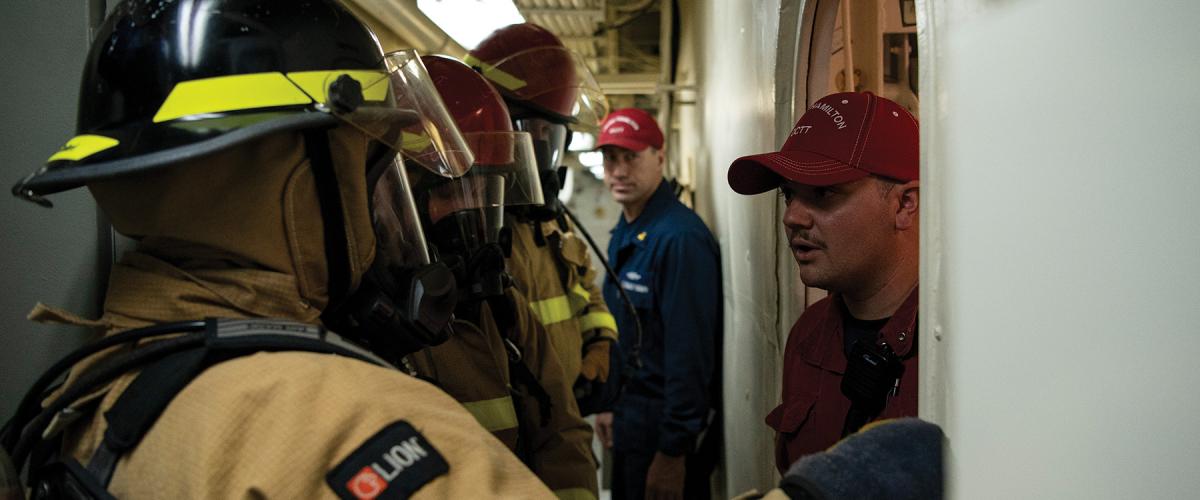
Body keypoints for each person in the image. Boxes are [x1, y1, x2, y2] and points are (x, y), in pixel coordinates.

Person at [0, 1, 552, 498]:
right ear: (300, 176)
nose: (375, 214)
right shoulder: (360, 428)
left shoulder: (84, 392)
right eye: (368, 171)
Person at [403, 54, 598, 499]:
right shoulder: (379, 327)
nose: (469, 210)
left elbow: (563, 435)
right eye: (450, 190)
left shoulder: (502, 307)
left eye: (483, 190)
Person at [726, 91, 920, 473]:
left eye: (824, 192)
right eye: (789, 194)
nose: (792, 217)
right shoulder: (808, 336)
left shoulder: (952, 352)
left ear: (904, 205)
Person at [466, 23, 620, 405]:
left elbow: (584, 286)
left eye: (551, 136)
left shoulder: (550, 222)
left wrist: (599, 339)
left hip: (562, 415)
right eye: (530, 130)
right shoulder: (469, 232)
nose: (540, 148)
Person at [594, 108, 723, 500]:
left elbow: (689, 354)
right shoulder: (628, 229)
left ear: (660, 158)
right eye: (610, 158)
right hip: (629, 418)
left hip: (660, 430)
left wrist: (673, 452)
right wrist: (608, 403)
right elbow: (621, 330)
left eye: (631, 157)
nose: (619, 171)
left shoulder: (680, 239)